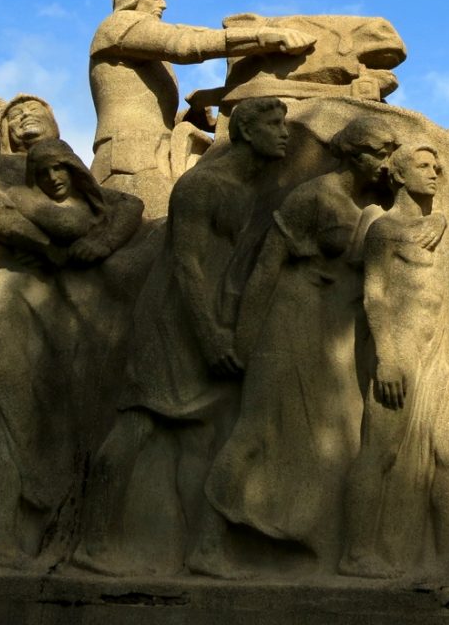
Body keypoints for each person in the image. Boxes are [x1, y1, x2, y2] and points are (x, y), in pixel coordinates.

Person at [75, 97, 291, 577]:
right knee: (138, 422)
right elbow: (186, 264)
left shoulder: (250, 188)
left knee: (202, 436)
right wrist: (209, 333)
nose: (285, 133)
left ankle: (203, 549)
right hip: (173, 320)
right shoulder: (202, 185)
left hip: (212, 317)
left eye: (286, 124)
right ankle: (92, 542)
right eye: (274, 124)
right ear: (247, 132)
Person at [206, 114, 399, 569]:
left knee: (319, 438)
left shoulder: (361, 202)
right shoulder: (312, 195)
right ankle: (207, 543)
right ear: (353, 153)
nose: (387, 164)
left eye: (391, 154)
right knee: (254, 430)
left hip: (323, 327)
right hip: (287, 318)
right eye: (379, 153)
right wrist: (245, 339)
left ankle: (298, 536)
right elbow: (266, 269)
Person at [0, 138, 142, 566]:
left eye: (60, 168)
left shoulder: (94, 204)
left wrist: (102, 243)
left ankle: (55, 531)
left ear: (75, 168)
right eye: (43, 171)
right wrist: (50, 246)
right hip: (11, 312)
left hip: (55, 321)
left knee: (58, 430)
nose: (52, 178)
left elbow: (132, 205)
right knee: (14, 429)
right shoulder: (16, 198)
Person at [89, 0, 314, 216]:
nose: (162, 5)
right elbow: (184, 42)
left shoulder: (137, 44)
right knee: (159, 230)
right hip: (130, 154)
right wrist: (262, 37)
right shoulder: (118, 25)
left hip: (152, 151)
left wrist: (186, 119)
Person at [339, 144, 449, 578]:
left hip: (430, 349)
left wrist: (438, 218)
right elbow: (375, 293)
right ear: (400, 176)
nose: (434, 172)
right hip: (398, 350)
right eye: (423, 166)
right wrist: (386, 356)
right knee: (380, 451)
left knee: (423, 451)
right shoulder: (384, 230)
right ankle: (356, 553)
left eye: (436, 165)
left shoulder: (430, 225)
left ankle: (402, 546)